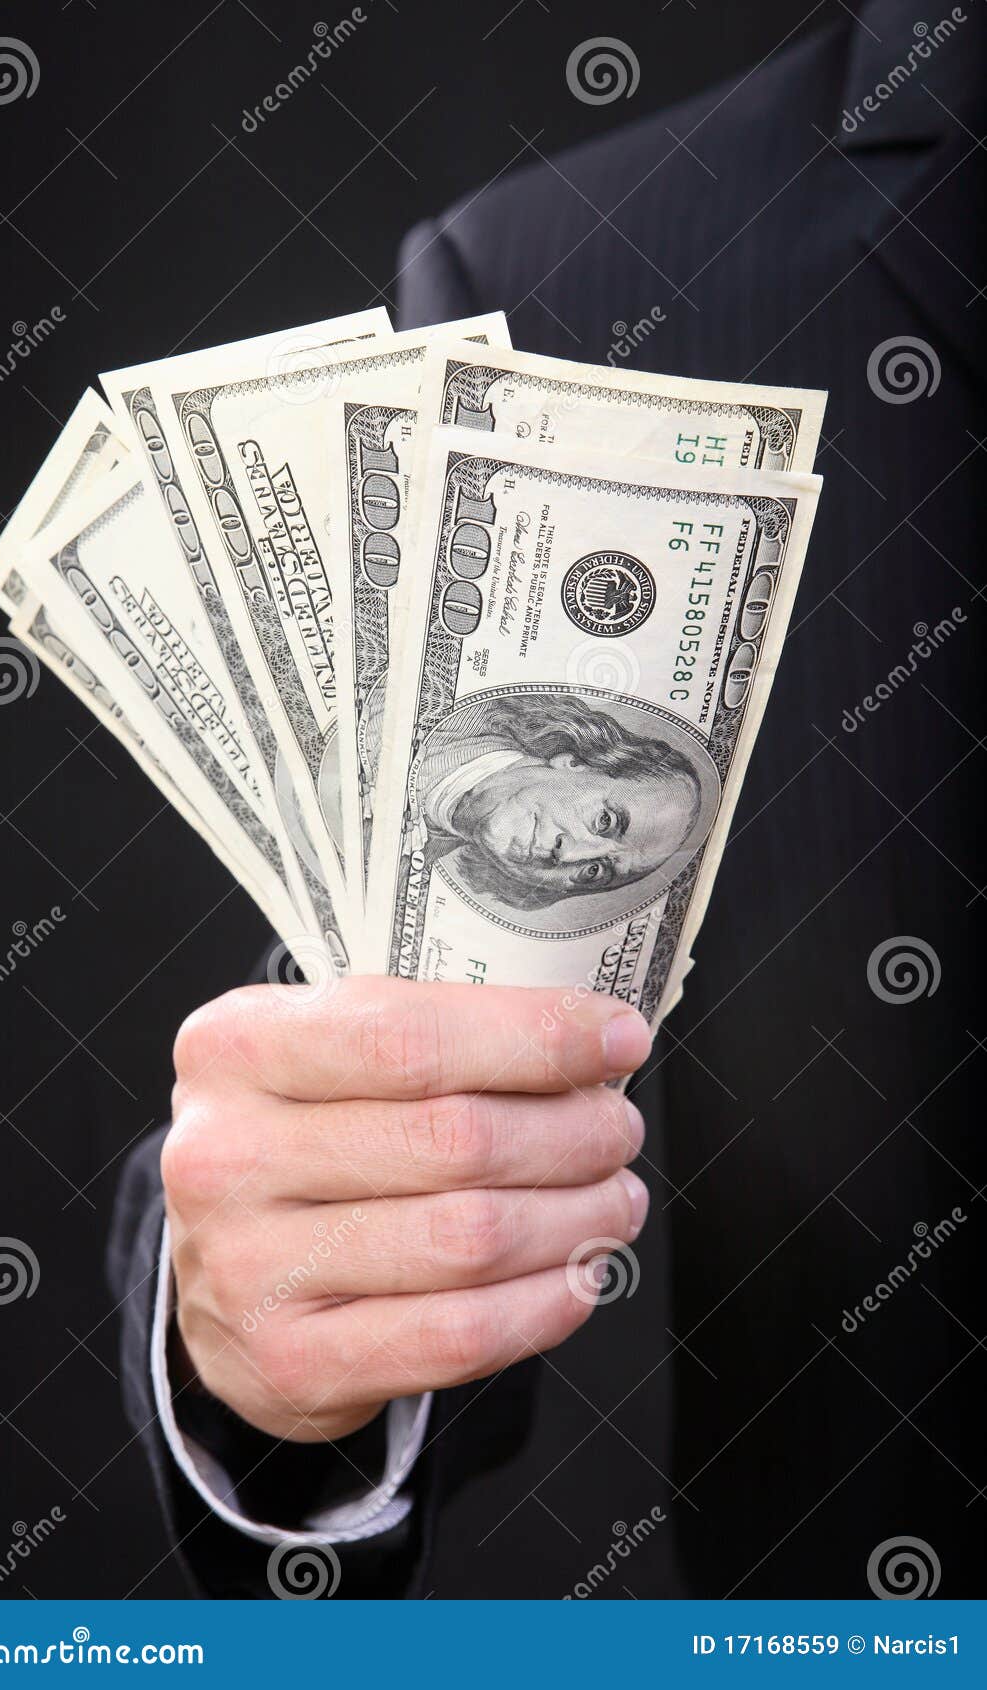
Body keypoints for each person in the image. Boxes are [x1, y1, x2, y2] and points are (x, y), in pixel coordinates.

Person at [109, 0, 985, 1598]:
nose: (555, 841)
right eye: (568, 830)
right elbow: (371, 1134)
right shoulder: (585, 285)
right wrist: (265, 1314)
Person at [411, 692, 703, 909]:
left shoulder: (399, 876)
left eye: (594, 872)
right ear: (575, 763)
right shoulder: (444, 700)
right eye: (605, 821)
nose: (569, 856)